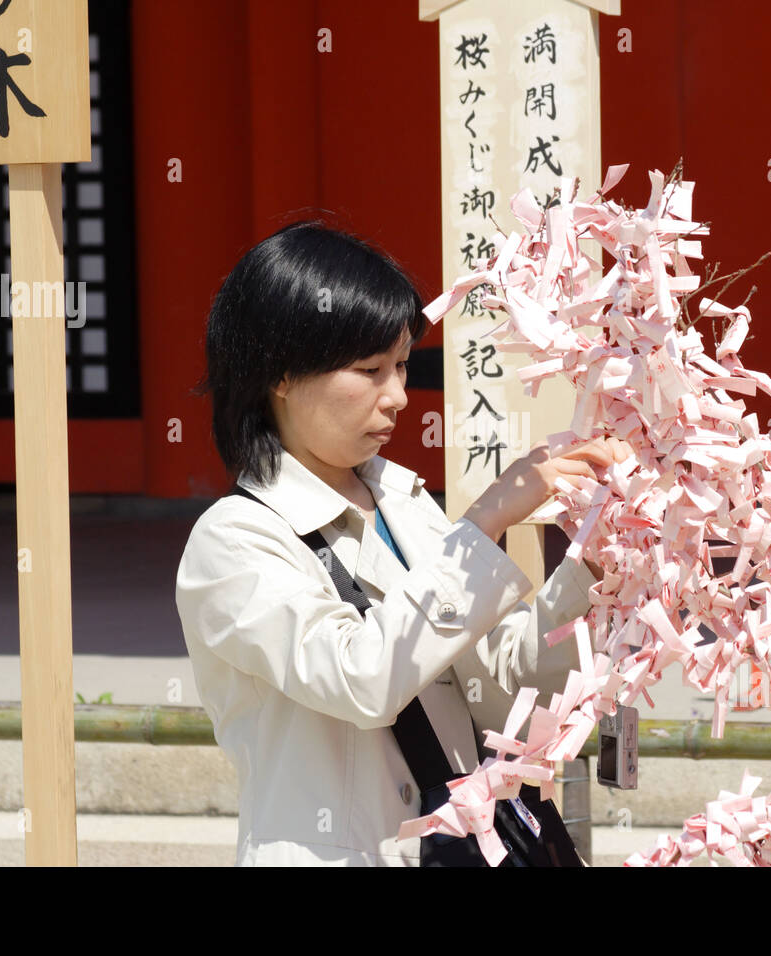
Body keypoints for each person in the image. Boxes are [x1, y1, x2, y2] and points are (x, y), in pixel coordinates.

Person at [175, 220, 633, 866]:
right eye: (369, 370)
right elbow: (361, 676)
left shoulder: (402, 500)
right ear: (279, 374)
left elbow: (503, 689)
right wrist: (485, 521)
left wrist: (598, 557)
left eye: (400, 366)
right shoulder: (232, 542)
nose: (398, 397)